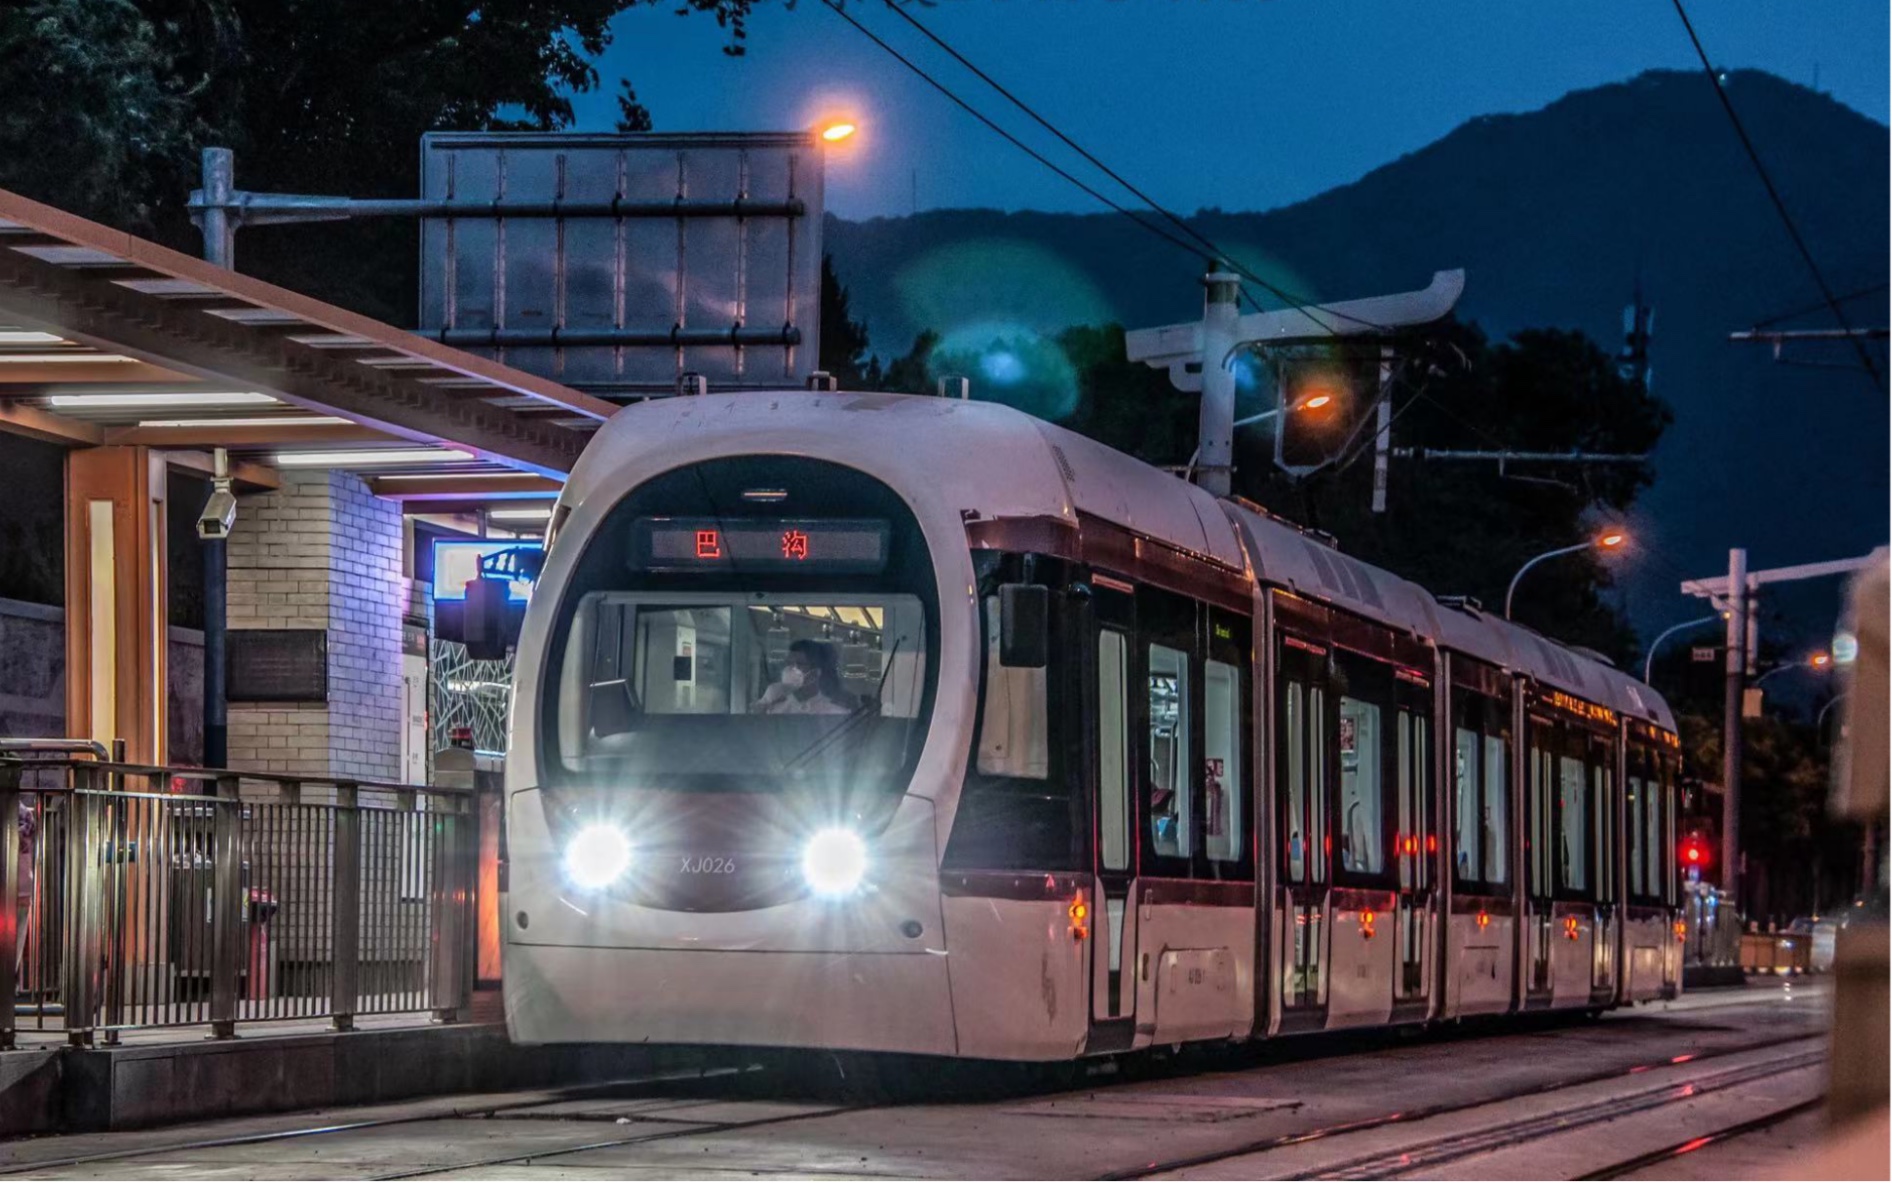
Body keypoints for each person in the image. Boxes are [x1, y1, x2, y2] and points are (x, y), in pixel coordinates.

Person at [754, 639, 854, 715]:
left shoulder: (833, 711)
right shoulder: (774, 695)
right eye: (789, 663)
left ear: (815, 673)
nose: (791, 668)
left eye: (799, 664)